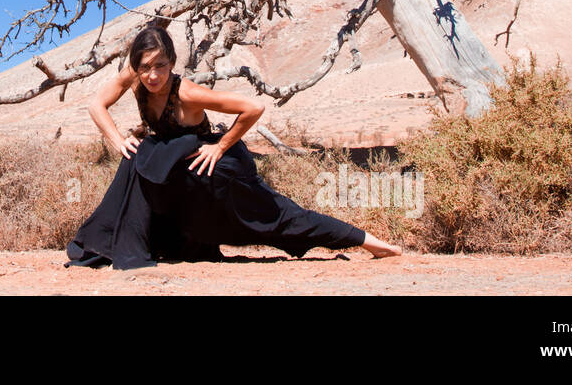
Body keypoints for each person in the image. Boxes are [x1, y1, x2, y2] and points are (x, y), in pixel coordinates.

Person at [65, 24, 403, 270]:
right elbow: (97, 105)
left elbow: (252, 108)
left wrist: (220, 147)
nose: (152, 76)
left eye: (160, 66)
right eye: (144, 67)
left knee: (276, 216)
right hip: (175, 167)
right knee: (136, 158)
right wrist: (118, 140)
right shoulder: (134, 75)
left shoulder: (187, 92)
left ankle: (370, 242)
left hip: (213, 169)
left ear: (171, 61)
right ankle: (121, 244)